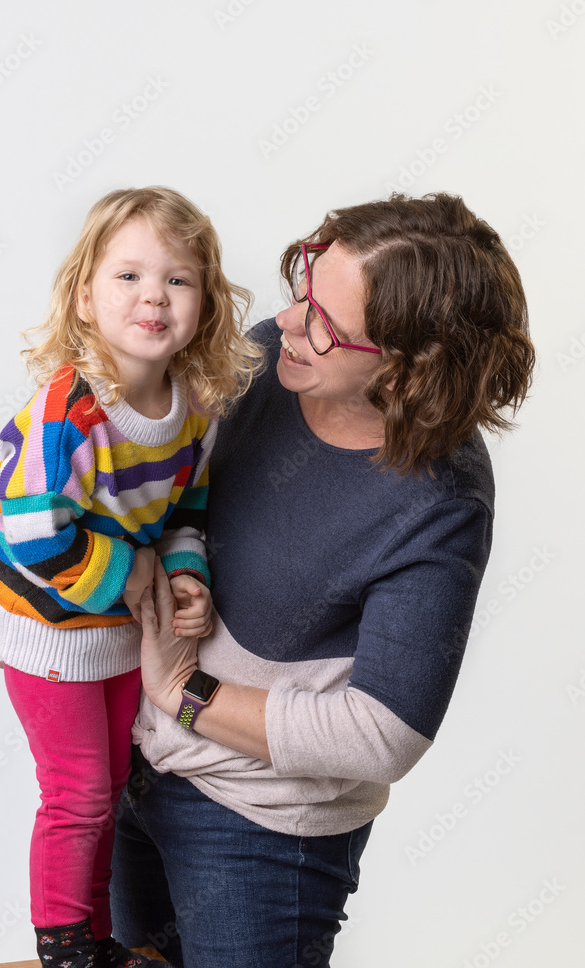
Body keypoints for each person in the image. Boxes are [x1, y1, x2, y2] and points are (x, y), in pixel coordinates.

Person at [109, 192, 536, 968]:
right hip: (134, 765)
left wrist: (185, 693)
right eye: (304, 288)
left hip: (258, 829)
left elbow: (383, 734)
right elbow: (174, 479)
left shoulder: (438, 501)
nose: (291, 325)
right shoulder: (275, 356)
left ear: (410, 372)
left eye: (328, 326)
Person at [0, 186, 262, 968]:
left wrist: (180, 572)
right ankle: (64, 945)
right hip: (44, 625)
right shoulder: (67, 412)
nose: (152, 297)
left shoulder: (195, 412)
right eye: (128, 276)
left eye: (177, 280)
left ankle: (98, 940)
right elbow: (34, 535)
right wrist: (131, 574)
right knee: (76, 795)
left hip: (114, 627)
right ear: (84, 294)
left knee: (109, 790)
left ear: (204, 304)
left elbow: (184, 512)